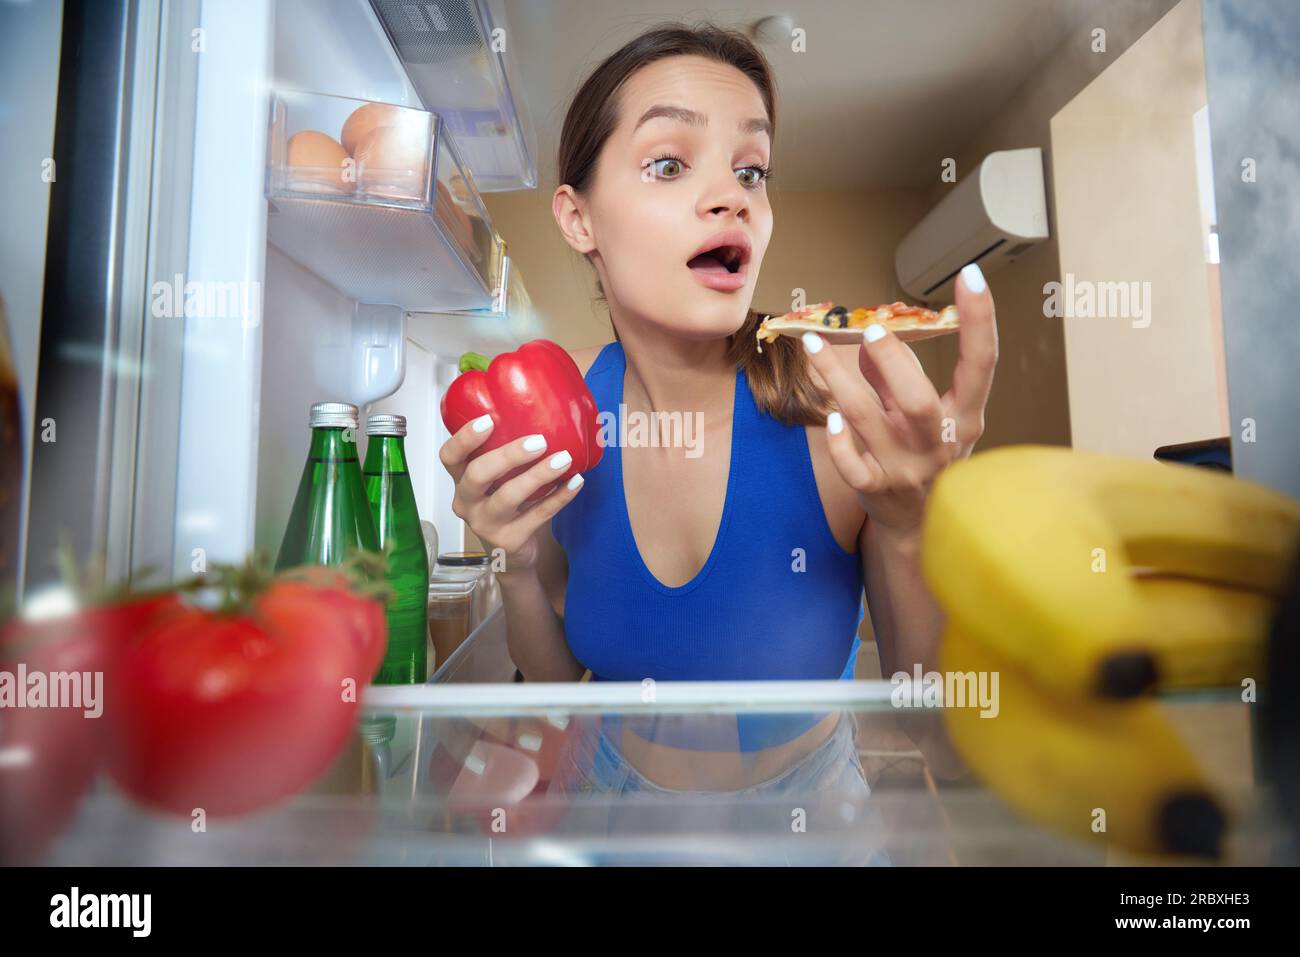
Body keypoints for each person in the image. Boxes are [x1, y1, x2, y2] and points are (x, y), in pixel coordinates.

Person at [436, 22, 997, 842]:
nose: (734, 195)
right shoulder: (557, 403)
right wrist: (516, 565)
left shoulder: (832, 404)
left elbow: (936, 731)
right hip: (607, 804)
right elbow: (560, 686)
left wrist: (914, 527)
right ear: (577, 216)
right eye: (669, 163)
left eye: (752, 170)